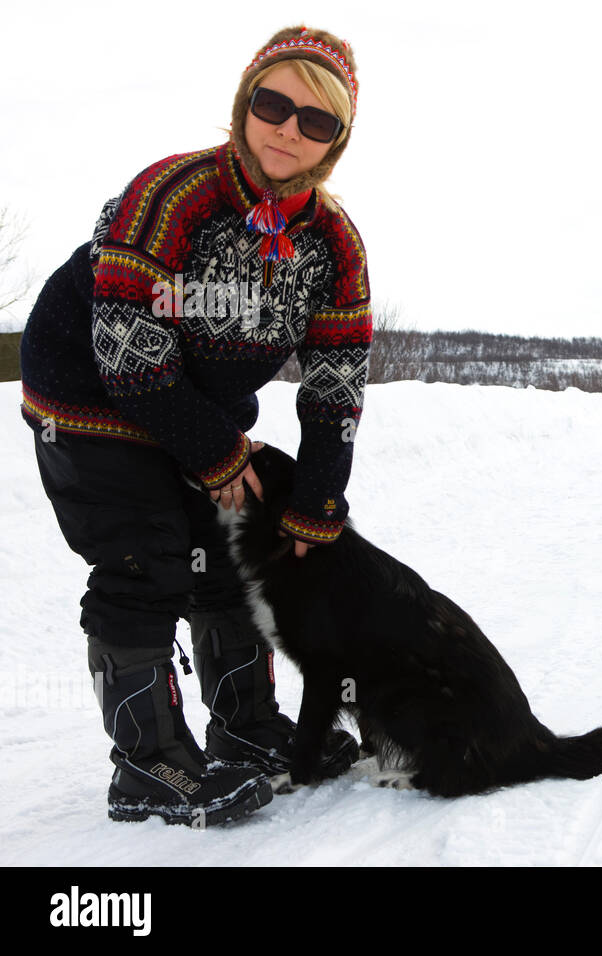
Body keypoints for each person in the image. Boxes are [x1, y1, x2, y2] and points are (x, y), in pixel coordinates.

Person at [18, 26, 372, 825]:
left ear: (336, 141)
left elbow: (335, 383)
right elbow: (128, 352)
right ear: (244, 105)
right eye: (273, 103)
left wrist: (318, 501)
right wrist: (215, 453)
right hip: (88, 392)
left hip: (196, 403)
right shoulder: (176, 194)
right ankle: (148, 767)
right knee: (144, 560)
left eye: (315, 120)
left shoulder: (332, 245)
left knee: (227, 559)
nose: (288, 128)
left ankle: (246, 732)